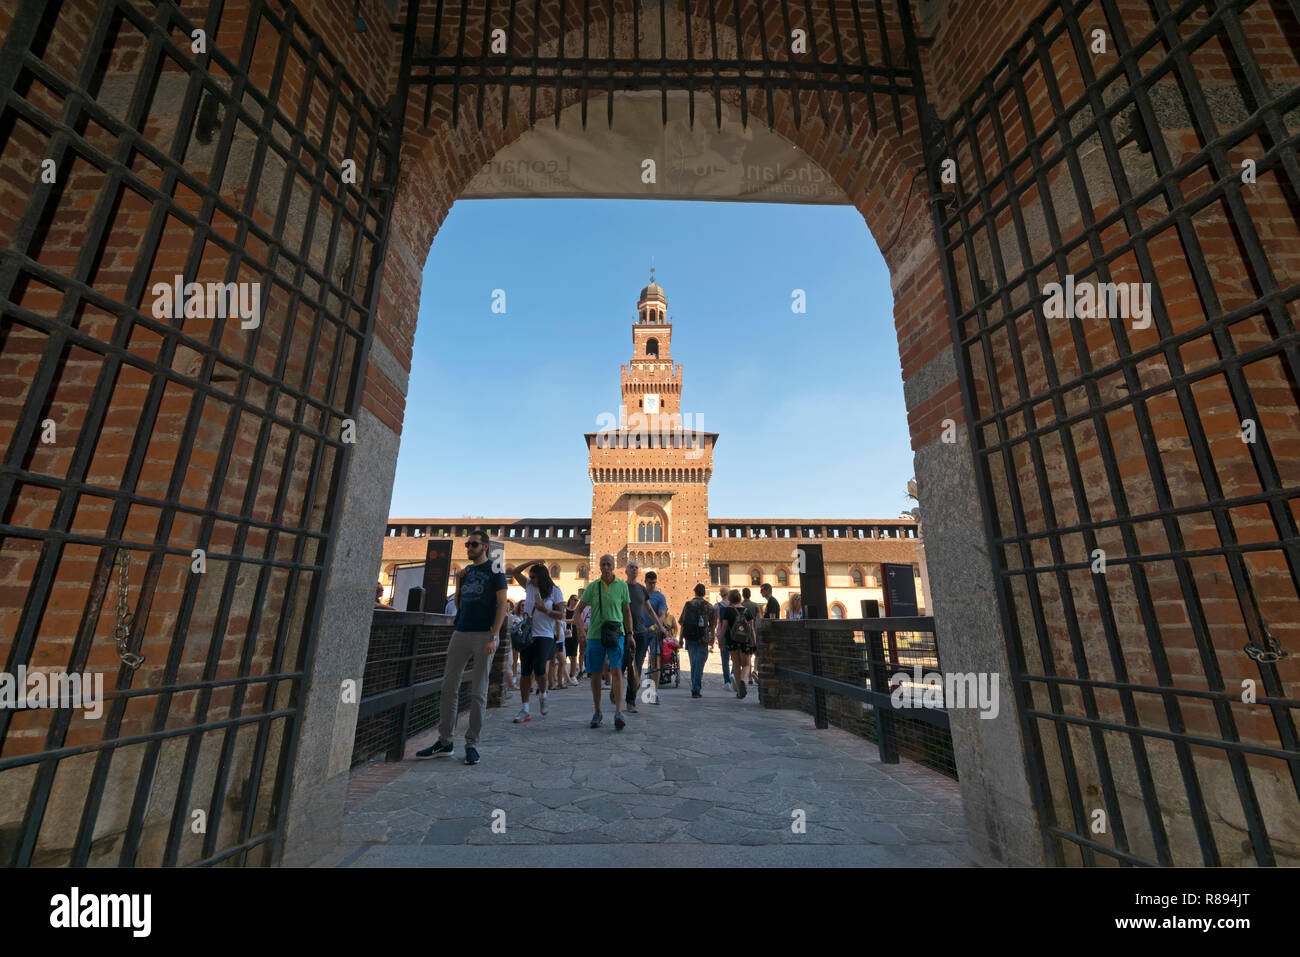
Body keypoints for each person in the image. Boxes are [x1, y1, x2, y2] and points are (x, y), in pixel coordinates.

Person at [415, 529, 506, 765]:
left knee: (478, 692)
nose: (469, 548)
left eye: (473, 545)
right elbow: (459, 603)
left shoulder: (495, 569)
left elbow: (502, 604)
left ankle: (471, 743)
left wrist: (493, 636)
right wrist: (458, 579)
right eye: (467, 544)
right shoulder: (467, 572)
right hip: (461, 632)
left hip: (484, 634)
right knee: (448, 687)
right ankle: (445, 742)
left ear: (485, 547)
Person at [574, 554, 635, 730]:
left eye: (609, 564)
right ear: (599, 567)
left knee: (616, 670)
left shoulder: (622, 586)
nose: (606, 567)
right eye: (603, 564)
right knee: (595, 673)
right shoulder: (593, 587)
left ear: (614, 566)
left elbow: (627, 613)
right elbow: (578, 611)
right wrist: (580, 631)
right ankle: (598, 711)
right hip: (594, 634)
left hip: (617, 634)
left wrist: (630, 634)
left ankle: (618, 712)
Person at [510, 560, 565, 722]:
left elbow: (561, 615)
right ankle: (525, 709)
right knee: (525, 671)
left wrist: (545, 610)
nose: (530, 578)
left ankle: (543, 694)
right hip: (528, 635)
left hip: (545, 635)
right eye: (530, 576)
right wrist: (533, 562)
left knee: (540, 669)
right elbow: (514, 572)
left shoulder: (555, 591)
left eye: (533, 576)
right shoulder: (529, 586)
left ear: (541, 577)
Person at [678, 583, 715, 697]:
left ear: (694, 592)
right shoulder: (709, 606)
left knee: (693, 663)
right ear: (704, 593)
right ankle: (696, 689)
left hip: (689, 637)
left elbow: (683, 623)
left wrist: (680, 638)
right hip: (702, 638)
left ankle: (695, 687)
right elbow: (712, 625)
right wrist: (712, 638)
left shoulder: (688, 604)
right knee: (699, 664)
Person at [720, 588, 756, 698]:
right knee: (746, 665)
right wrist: (754, 642)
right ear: (739, 598)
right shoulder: (747, 611)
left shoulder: (728, 611)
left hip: (732, 641)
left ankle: (740, 692)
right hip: (745, 641)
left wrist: (721, 640)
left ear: (730, 598)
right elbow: (752, 629)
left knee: (736, 665)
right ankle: (743, 681)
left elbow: (724, 627)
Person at [640, 570, 669, 704]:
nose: (652, 585)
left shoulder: (660, 597)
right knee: (638, 661)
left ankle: (654, 692)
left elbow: (662, 614)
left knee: (655, 661)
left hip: (654, 632)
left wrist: (659, 625)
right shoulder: (640, 594)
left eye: (654, 583)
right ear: (645, 581)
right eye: (650, 583)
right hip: (640, 631)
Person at [741, 588, 762, 686]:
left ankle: (749, 678)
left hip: (744, 633)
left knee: (748, 656)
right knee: (757, 653)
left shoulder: (741, 606)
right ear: (750, 594)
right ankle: (755, 670)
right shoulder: (755, 605)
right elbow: (759, 619)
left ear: (743, 595)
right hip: (754, 632)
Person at [714, 588, 733, 690]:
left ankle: (727, 682)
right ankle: (733, 673)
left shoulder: (717, 606)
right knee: (735, 658)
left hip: (722, 634)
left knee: (724, 659)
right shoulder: (733, 605)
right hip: (733, 634)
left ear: (721, 595)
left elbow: (714, 622)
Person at [564, 595, 580, 683]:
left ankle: (573, 675)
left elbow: (576, 621)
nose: (576, 601)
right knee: (564, 655)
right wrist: (569, 620)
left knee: (574, 655)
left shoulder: (577, 610)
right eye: (574, 599)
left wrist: (565, 620)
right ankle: (564, 675)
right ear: (570, 599)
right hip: (564, 633)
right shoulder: (565, 609)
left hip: (574, 634)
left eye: (577, 600)